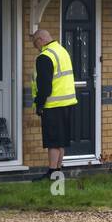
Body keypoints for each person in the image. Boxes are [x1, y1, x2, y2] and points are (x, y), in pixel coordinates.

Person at [31, 27, 77, 178]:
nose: (37, 49)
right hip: (68, 103)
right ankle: (58, 171)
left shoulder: (45, 56)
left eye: (35, 45)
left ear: (40, 40)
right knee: (61, 140)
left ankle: (51, 172)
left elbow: (45, 86)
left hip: (53, 105)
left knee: (52, 141)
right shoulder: (62, 51)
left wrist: (39, 104)